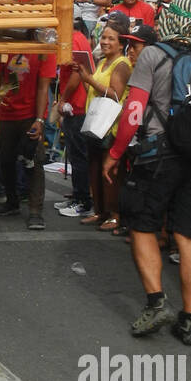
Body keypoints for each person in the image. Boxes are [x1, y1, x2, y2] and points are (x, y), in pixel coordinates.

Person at [107, 0, 191, 345]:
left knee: (142, 225)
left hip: (159, 155)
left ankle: (156, 303)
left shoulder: (154, 54)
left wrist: (116, 152)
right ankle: (190, 319)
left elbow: (135, 110)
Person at [0, 42, 56, 230]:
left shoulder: (44, 48)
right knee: (5, 160)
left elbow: (44, 87)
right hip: (6, 114)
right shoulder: (5, 43)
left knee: (34, 162)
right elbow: (0, 81)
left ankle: (35, 211)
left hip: (30, 116)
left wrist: (40, 119)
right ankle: (12, 202)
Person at [77, 23, 130, 231]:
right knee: (95, 168)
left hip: (111, 126)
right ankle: (100, 211)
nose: (105, 42)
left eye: (111, 39)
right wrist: (84, 77)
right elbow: (91, 89)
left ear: (121, 43)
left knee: (110, 174)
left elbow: (115, 94)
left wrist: (89, 79)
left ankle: (115, 214)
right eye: (104, 38)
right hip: (95, 124)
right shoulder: (102, 61)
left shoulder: (121, 64)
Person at [52, 13, 93, 217]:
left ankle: (83, 201)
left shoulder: (75, 40)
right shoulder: (74, 39)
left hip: (77, 105)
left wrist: (63, 99)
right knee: (76, 154)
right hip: (73, 105)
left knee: (79, 156)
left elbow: (78, 73)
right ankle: (78, 196)